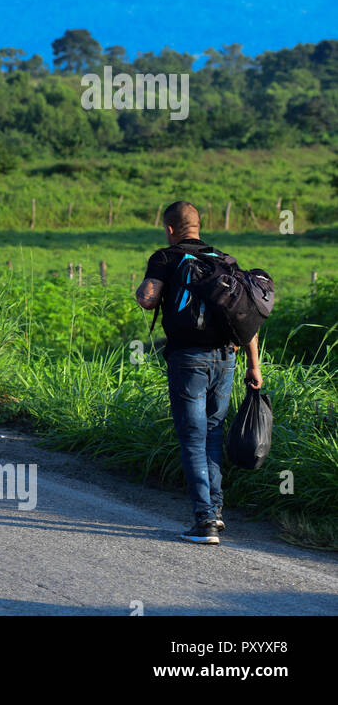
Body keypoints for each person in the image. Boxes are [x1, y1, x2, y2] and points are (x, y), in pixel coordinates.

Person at [135, 200, 263, 546]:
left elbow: (148, 299)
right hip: (226, 359)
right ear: (199, 226)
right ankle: (216, 512)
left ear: (170, 229)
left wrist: (143, 288)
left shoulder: (165, 257)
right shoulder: (223, 260)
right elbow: (246, 318)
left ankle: (205, 520)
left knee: (192, 438)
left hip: (188, 360)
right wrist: (254, 364)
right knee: (212, 434)